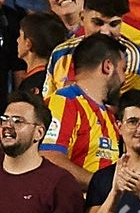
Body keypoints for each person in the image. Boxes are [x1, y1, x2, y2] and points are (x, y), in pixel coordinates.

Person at [0, 90, 82, 213]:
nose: (7, 126)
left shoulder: (60, 182)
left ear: (39, 132)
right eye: (4, 119)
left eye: (18, 121)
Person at [39, 31, 124, 187]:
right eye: (123, 70)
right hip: (74, 208)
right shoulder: (65, 101)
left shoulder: (108, 115)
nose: (124, 79)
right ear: (108, 67)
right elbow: (50, 157)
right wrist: (101, 186)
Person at [43, 0, 140, 98]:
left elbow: (128, 110)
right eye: (97, 22)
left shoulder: (132, 57)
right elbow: (48, 103)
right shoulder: (60, 54)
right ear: (82, 18)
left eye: (114, 24)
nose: (105, 31)